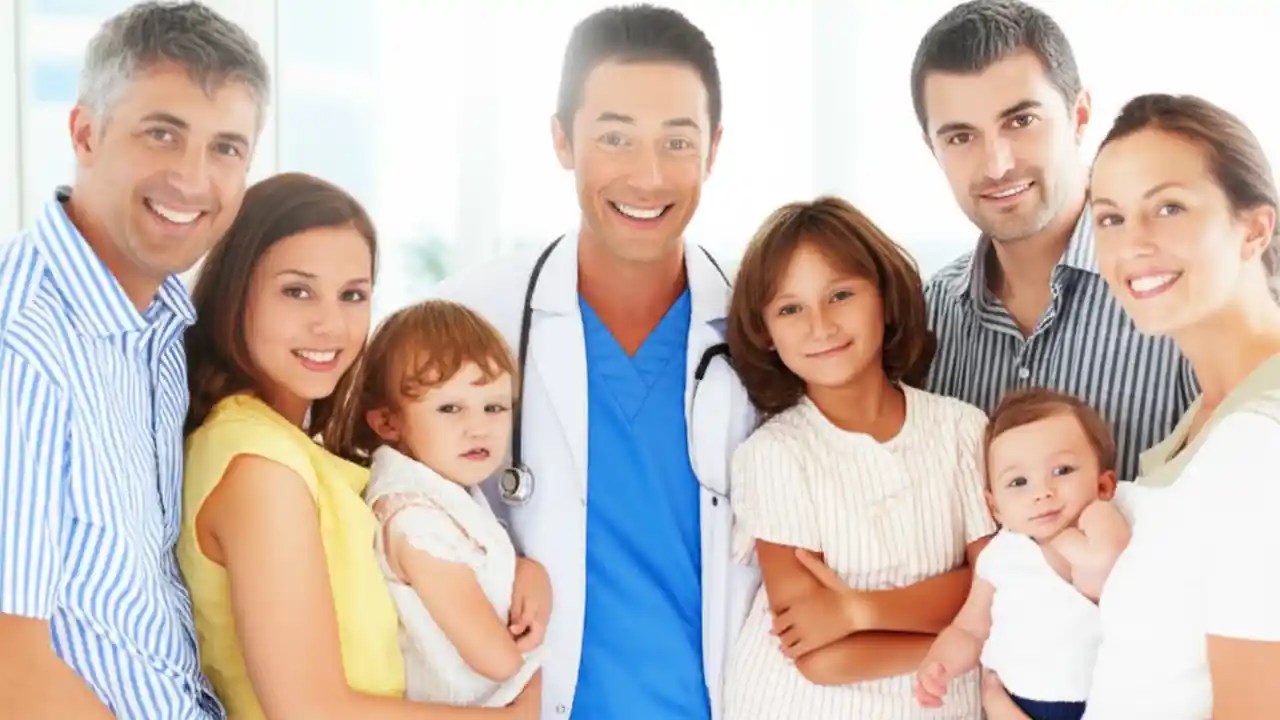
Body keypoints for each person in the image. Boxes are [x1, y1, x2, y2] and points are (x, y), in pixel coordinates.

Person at [431, 5, 759, 718]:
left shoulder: (767, 331)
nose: (648, 176)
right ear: (562, 140)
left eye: (678, 141)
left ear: (715, 148)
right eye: (615, 137)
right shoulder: (473, 319)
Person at [180, 173, 542, 720]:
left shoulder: (295, 448)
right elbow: (307, 709)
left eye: (353, 295)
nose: (330, 324)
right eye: (296, 291)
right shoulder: (260, 467)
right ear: (237, 294)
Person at [0, 3, 266, 717]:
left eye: (226, 148)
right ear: (86, 132)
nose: (192, 178)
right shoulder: (21, 341)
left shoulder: (163, 334)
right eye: (162, 134)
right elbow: (9, 666)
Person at [721, 196, 996, 719]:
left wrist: (858, 610)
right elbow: (818, 653)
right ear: (766, 333)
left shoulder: (962, 429)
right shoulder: (775, 454)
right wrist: (966, 644)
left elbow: (997, 586)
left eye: (841, 294)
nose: (819, 325)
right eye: (789, 308)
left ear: (885, 299)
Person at [910, 0, 1195, 482]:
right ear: (933, 149)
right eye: (961, 137)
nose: (997, 164)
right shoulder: (927, 319)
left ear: (1080, 116)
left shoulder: (1181, 289)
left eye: (1021, 121)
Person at [1081, 94, 1280, 720]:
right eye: (1109, 218)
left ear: (1254, 228)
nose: (1132, 243)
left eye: (1168, 207)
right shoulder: (1207, 417)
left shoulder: (1258, 443)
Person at [328, 300, 544, 707]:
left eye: (494, 407)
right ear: (388, 423)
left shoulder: (447, 489)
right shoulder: (415, 522)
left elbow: (497, 575)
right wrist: (546, 674)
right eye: (450, 408)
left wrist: (533, 574)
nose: (479, 427)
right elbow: (496, 659)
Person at [915, 388, 1134, 720]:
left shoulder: (1109, 527)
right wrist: (940, 663)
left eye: (1062, 471)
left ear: (1104, 485)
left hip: (1105, 703)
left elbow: (1108, 561)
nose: (1041, 493)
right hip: (1019, 701)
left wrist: (1074, 533)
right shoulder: (1001, 555)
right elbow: (971, 629)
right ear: (995, 507)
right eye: (1018, 482)